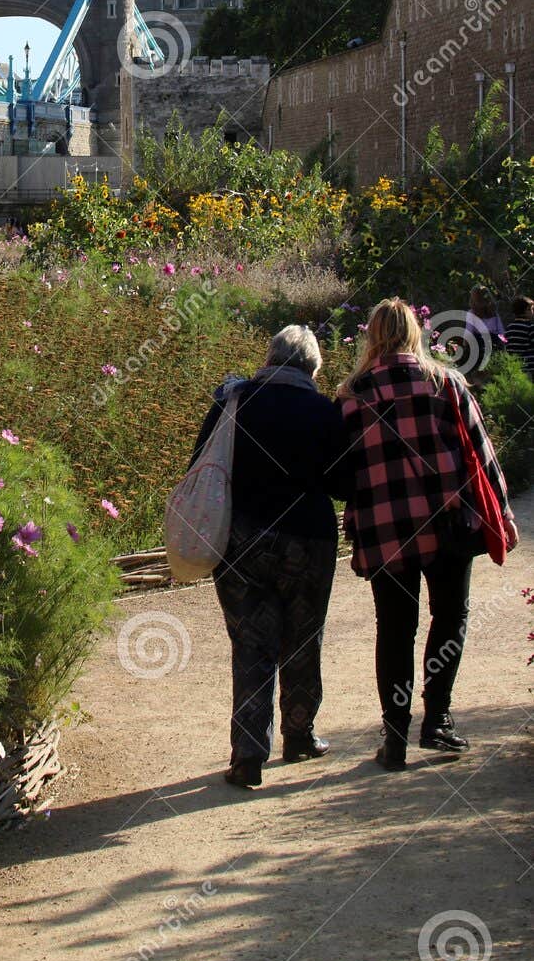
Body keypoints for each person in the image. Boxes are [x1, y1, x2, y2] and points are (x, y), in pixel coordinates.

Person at [337, 298, 519, 772]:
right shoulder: (447, 383)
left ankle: (394, 735)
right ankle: (436, 720)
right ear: (417, 333)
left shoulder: (351, 395)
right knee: (450, 617)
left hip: (384, 528)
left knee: (395, 630)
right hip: (448, 524)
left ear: (372, 336)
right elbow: (481, 455)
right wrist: (502, 513)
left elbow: (340, 472)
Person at [191, 325, 349, 791]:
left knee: (252, 646)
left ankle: (247, 756)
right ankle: (299, 735)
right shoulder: (324, 411)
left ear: (269, 357)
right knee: (303, 641)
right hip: (308, 541)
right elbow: (343, 484)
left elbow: (200, 463)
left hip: (242, 542)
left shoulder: (233, 401)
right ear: (312, 368)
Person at [464, 285, 506, 373]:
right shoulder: (494, 313)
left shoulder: (471, 313)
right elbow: (501, 332)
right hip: (494, 343)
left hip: (478, 344)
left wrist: (465, 346)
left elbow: (469, 333)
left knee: (476, 372)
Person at [503, 295, 534, 383]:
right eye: (531, 309)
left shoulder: (509, 328)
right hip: (530, 368)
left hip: (516, 367)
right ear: (525, 311)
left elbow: (507, 346)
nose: (532, 312)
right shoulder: (530, 327)